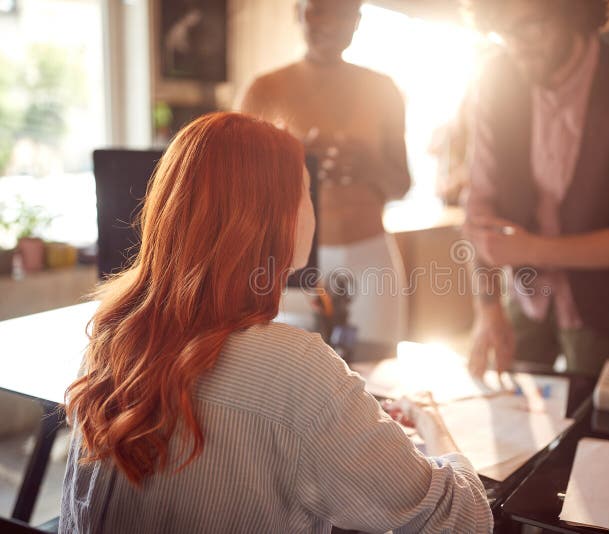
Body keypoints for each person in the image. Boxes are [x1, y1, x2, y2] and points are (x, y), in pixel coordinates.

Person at [60, 113, 492, 533]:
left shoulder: (110, 335)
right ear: (275, 216)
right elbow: (459, 519)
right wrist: (435, 428)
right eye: (307, 191)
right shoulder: (296, 367)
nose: (313, 208)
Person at [464, 0, 609, 377]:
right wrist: (488, 309)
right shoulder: (492, 81)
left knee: (589, 424)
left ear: (573, 12)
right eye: (504, 29)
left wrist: (531, 249)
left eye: (531, 26)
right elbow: (479, 211)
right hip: (525, 299)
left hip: (605, 308)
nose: (517, 43)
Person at [239, 0, 410, 349]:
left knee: (377, 371)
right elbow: (241, 191)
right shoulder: (264, 90)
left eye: (342, 13)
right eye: (318, 10)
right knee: (294, 377)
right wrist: (294, 162)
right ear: (297, 13)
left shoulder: (383, 89)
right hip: (291, 259)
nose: (329, 23)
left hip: (369, 254)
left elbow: (402, 184)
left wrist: (370, 165)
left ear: (358, 21)